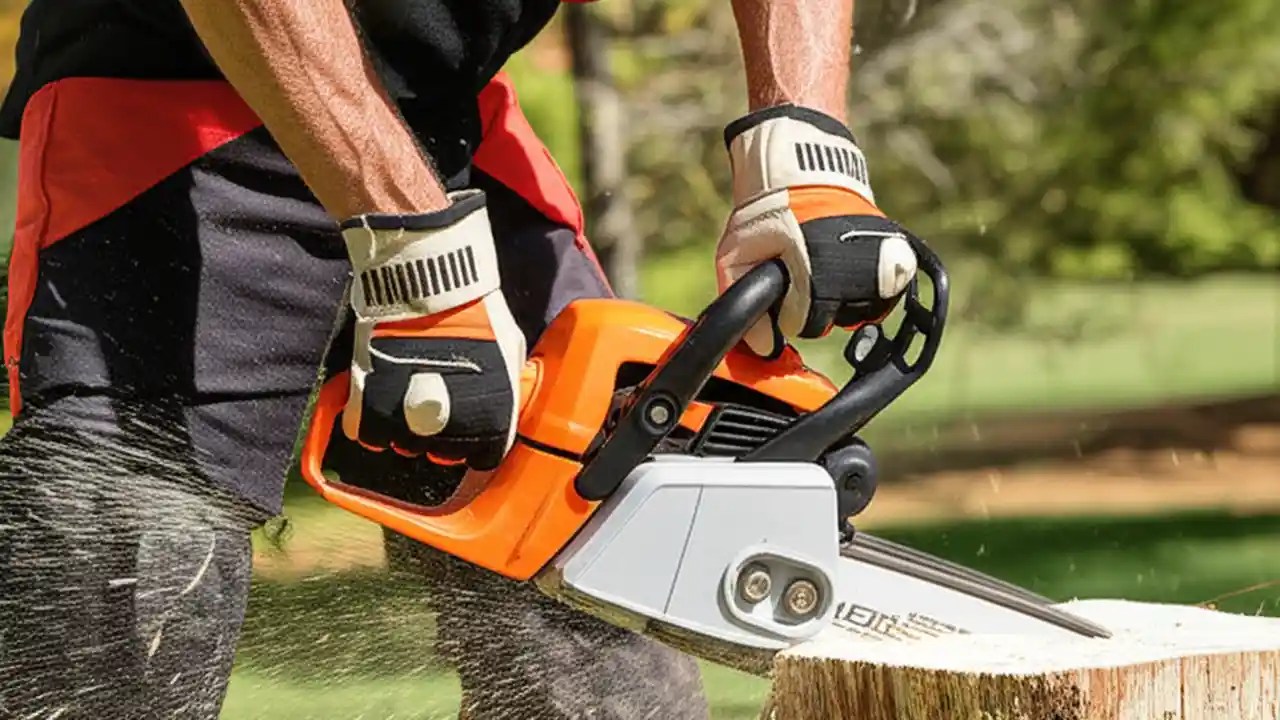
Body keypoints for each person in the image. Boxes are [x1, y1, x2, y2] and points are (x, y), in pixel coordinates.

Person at [0, 0, 920, 718]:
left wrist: (803, 139)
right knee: (131, 586)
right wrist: (416, 254)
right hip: (175, 109)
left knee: (613, 604)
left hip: (457, 124)